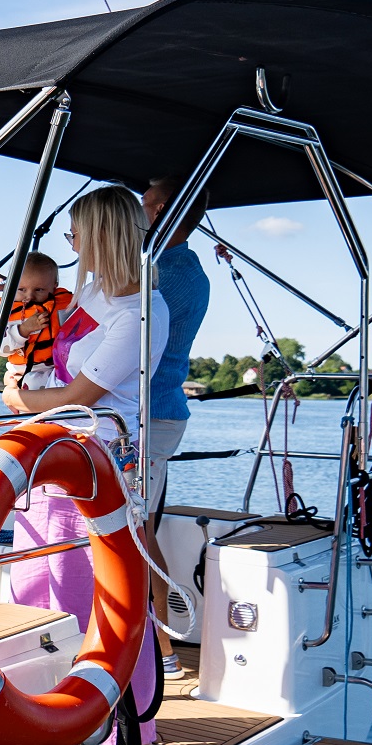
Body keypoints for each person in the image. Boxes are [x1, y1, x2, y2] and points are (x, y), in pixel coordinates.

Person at [0, 184, 170, 742]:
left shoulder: (140, 311)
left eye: (76, 234)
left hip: (97, 468)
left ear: (101, 236)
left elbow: (83, 394)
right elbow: (21, 337)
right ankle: (50, 715)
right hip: (48, 460)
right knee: (36, 588)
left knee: (102, 602)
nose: (71, 245)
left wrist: (17, 400)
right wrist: (6, 298)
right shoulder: (88, 298)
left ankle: (125, 732)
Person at [139, 174, 211, 677]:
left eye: (142, 202)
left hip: (149, 412)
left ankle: (162, 652)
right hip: (154, 412)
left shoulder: (164, 270)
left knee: (135, 533)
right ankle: (158, 648)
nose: (137, 210)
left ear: (161, 208)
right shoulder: (183, 268)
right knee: (138, 530)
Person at [0, 251, 71, 390]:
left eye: (39, 289)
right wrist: (24, 330)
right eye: (21, 289)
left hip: (58, 370)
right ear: (11, 286)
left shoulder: (65, 305)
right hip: (23, 374)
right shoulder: (5, 312)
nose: (29, 296)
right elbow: (1, 349)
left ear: (54, 286)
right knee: (35, 382)